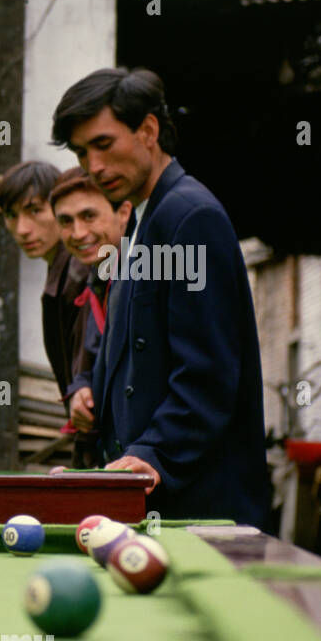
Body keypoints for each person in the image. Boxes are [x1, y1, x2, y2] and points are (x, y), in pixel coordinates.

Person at [51, 67, 268, 526]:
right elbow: (135, 359)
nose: (92, 166)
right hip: (152, 504)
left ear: (148, 130)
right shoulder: (140, 224)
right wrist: (93, 471)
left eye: (104, 144)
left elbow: (208, 371)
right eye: (81, 152)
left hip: (202, 514)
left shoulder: (189, 217)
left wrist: (155, 450)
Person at [0, 161, 95, 464]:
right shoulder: (62, 271)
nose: (22, 229)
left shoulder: (80, 271)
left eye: (35, 211)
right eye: (12, 215)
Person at [48, 167, 133, 463]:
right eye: (66, 222)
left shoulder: (152, 273)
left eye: (89, 216)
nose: (78, 233)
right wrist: (82, 388)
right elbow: (93, 358)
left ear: (123, 213)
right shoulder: (97, 277)